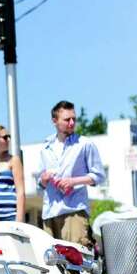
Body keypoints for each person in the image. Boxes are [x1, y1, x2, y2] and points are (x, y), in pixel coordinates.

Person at [36, 100, 105, 248]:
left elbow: (99, 176)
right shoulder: (46, 146)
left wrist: (73, 181)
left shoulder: (85, 144)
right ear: (54, 121)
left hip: (74, 210)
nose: (72, 123)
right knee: (51, 258)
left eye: (74, 119)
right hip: (50, 212)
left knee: (76, 256)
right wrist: (43, 179)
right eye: (67, 119)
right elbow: (39, 183)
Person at [0, 125, 26, 222]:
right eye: (5, 137)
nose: (9, 140)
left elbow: (20, 192)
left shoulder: (14, 160)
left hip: (9, 217)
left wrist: (19, 221)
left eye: (9, 137)